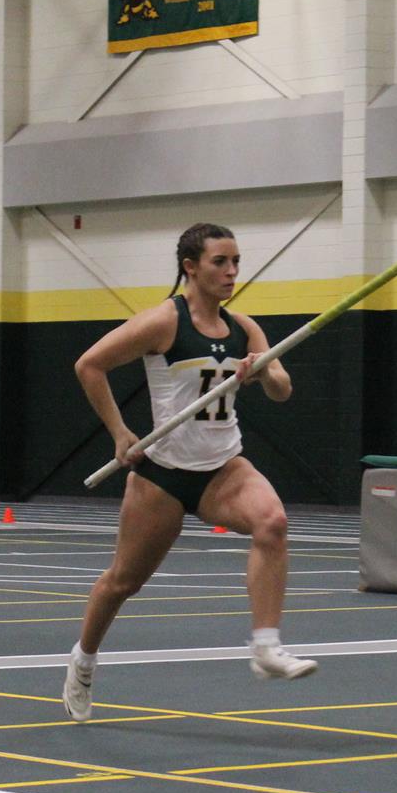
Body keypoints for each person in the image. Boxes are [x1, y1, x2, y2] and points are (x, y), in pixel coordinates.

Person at [62, 223, 316, 721]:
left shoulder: (244, 328)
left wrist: (264, 369)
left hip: (223, 469)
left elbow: (282, 389)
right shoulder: (163, 322)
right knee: (123, 582)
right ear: (190, 268)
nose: (232, 271)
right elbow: (89, 365)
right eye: (220, 262)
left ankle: (266, 646)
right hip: (163, 475)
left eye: (236, 261)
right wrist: (119, 432)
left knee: (273, 523)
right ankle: (83, 662)